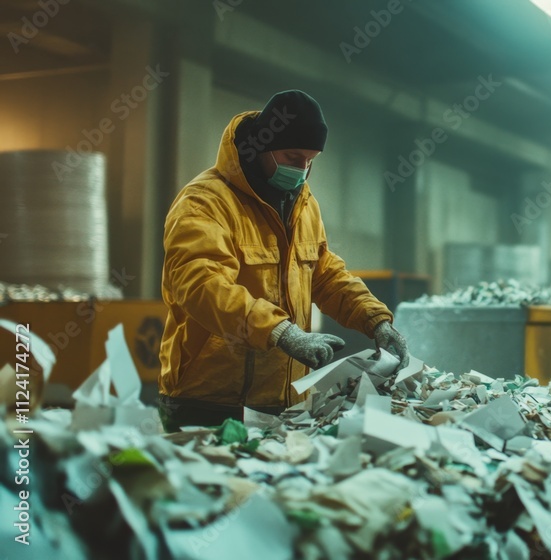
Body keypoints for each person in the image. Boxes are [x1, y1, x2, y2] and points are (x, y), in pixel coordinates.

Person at [158, 90, 409, 431]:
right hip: (208, 401)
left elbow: (324, 274)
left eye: (310, 160)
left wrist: (375, 320)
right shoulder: (205, 202)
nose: (302, 169)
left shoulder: (302, 204)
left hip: (283, 402)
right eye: (292, 157)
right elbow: (202, 285)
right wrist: (280, 331)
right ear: (263, 146)